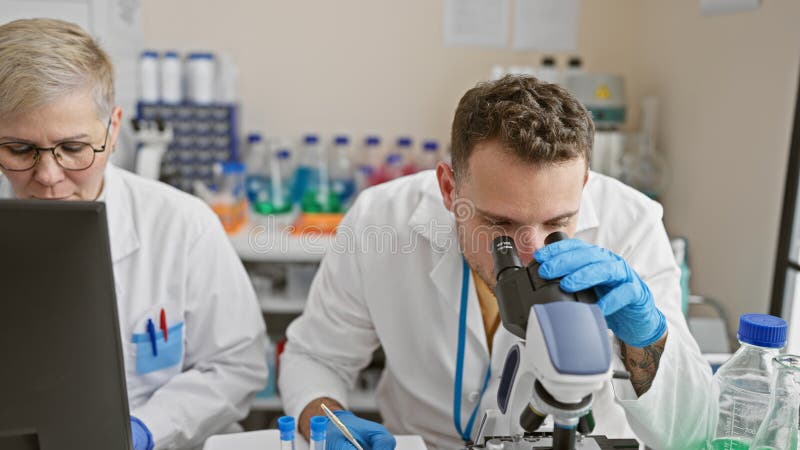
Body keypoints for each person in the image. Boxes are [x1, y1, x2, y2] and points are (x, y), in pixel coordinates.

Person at [279, 75, 712, 450]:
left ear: (584, 184)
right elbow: (316, 357)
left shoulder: (631, 224)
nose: (531, 251)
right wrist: (328, 420)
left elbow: (692, 433)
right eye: (500, 223)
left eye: (558, 221)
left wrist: (648, 340)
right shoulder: (380, 219)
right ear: (450, 188)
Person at [0, 19, 268, 450]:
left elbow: (237, 365)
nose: (48, 176)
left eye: (72, 148)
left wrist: (141, 433)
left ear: (113, 128)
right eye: (19, 150)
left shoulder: (181, 224)